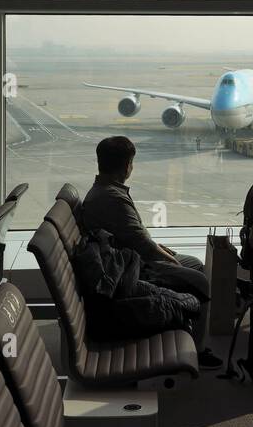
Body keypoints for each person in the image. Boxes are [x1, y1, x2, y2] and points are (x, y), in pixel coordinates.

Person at [80, 136, 222, 369]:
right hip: (132, 270)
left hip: (125, 260)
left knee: (194, 263)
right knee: (200, 281)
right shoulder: (112, 198)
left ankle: (185, 324)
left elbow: (135, 236)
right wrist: (173, 262)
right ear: (127, 166)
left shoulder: (104, 191)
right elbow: (143, 246)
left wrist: (167, 252)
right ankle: (197, 349)